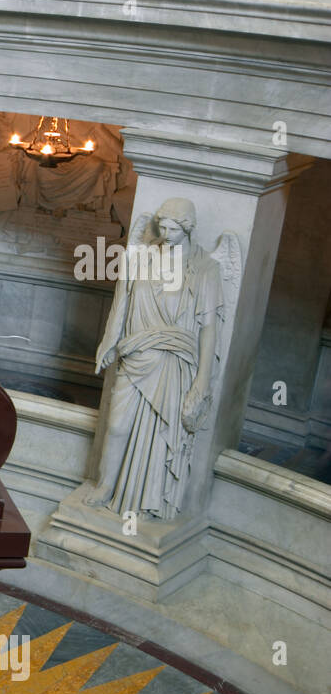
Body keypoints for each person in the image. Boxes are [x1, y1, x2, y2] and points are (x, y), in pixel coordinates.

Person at [85, 198, 221, 520]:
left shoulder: (205, 269)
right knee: (117, 426)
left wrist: (202, 381)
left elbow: (209, 329)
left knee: (158, 434)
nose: (166, 233)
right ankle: (106, 486)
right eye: (162, 227)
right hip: (136, 355)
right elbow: (121, 305)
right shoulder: (140, 259)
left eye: (174, 228)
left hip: (173, 362)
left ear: (187, 229)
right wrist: (108, 343)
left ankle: (143, 500)